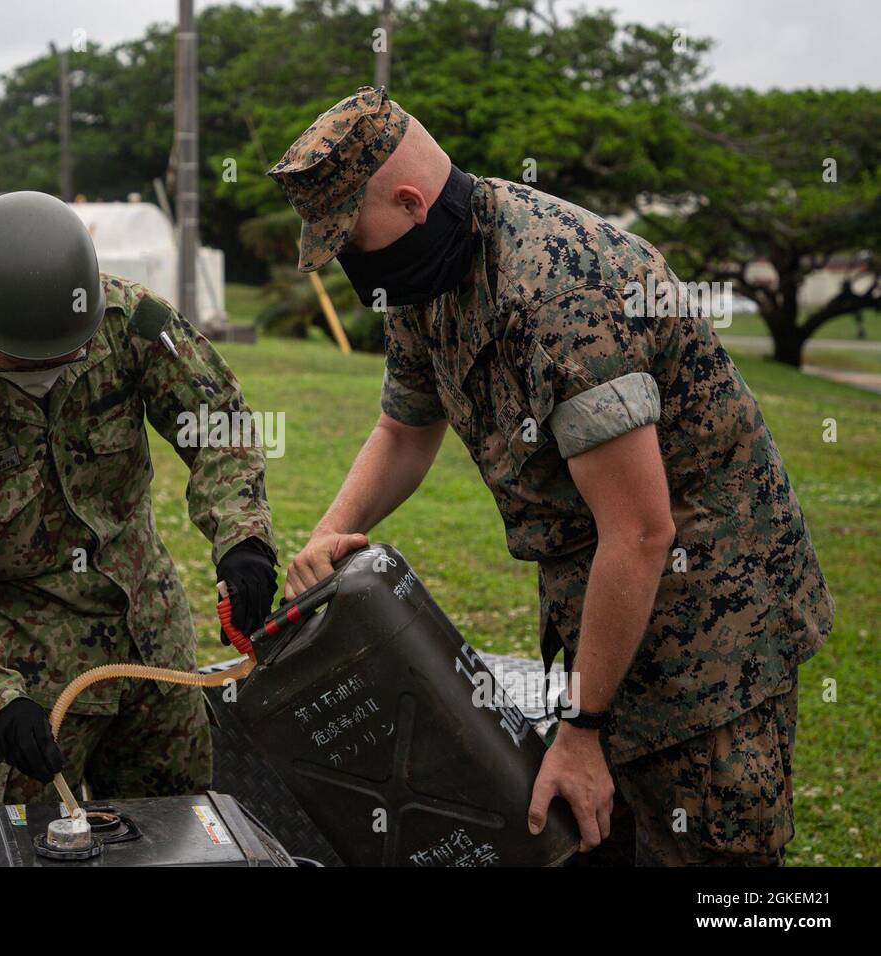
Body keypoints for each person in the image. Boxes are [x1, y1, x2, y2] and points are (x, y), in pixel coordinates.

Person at [267, 87, 832, 865]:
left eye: (349, 240)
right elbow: (403, 428)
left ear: (409, 201)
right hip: (600, 600)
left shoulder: (562, 293)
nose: (348, 266)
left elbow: (640, 530)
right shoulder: (425, 273)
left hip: (709, 622)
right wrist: (328, 538)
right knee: (599, 840)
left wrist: (581, 731)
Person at [0, 191, 277, 822]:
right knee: (14, 850)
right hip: (27, 678)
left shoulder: (131, 323)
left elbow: (219, 427)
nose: (53, 369)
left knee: (183, 836)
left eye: (67, 354)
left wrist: (243, 539)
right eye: (28, 360)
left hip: (152, 649)